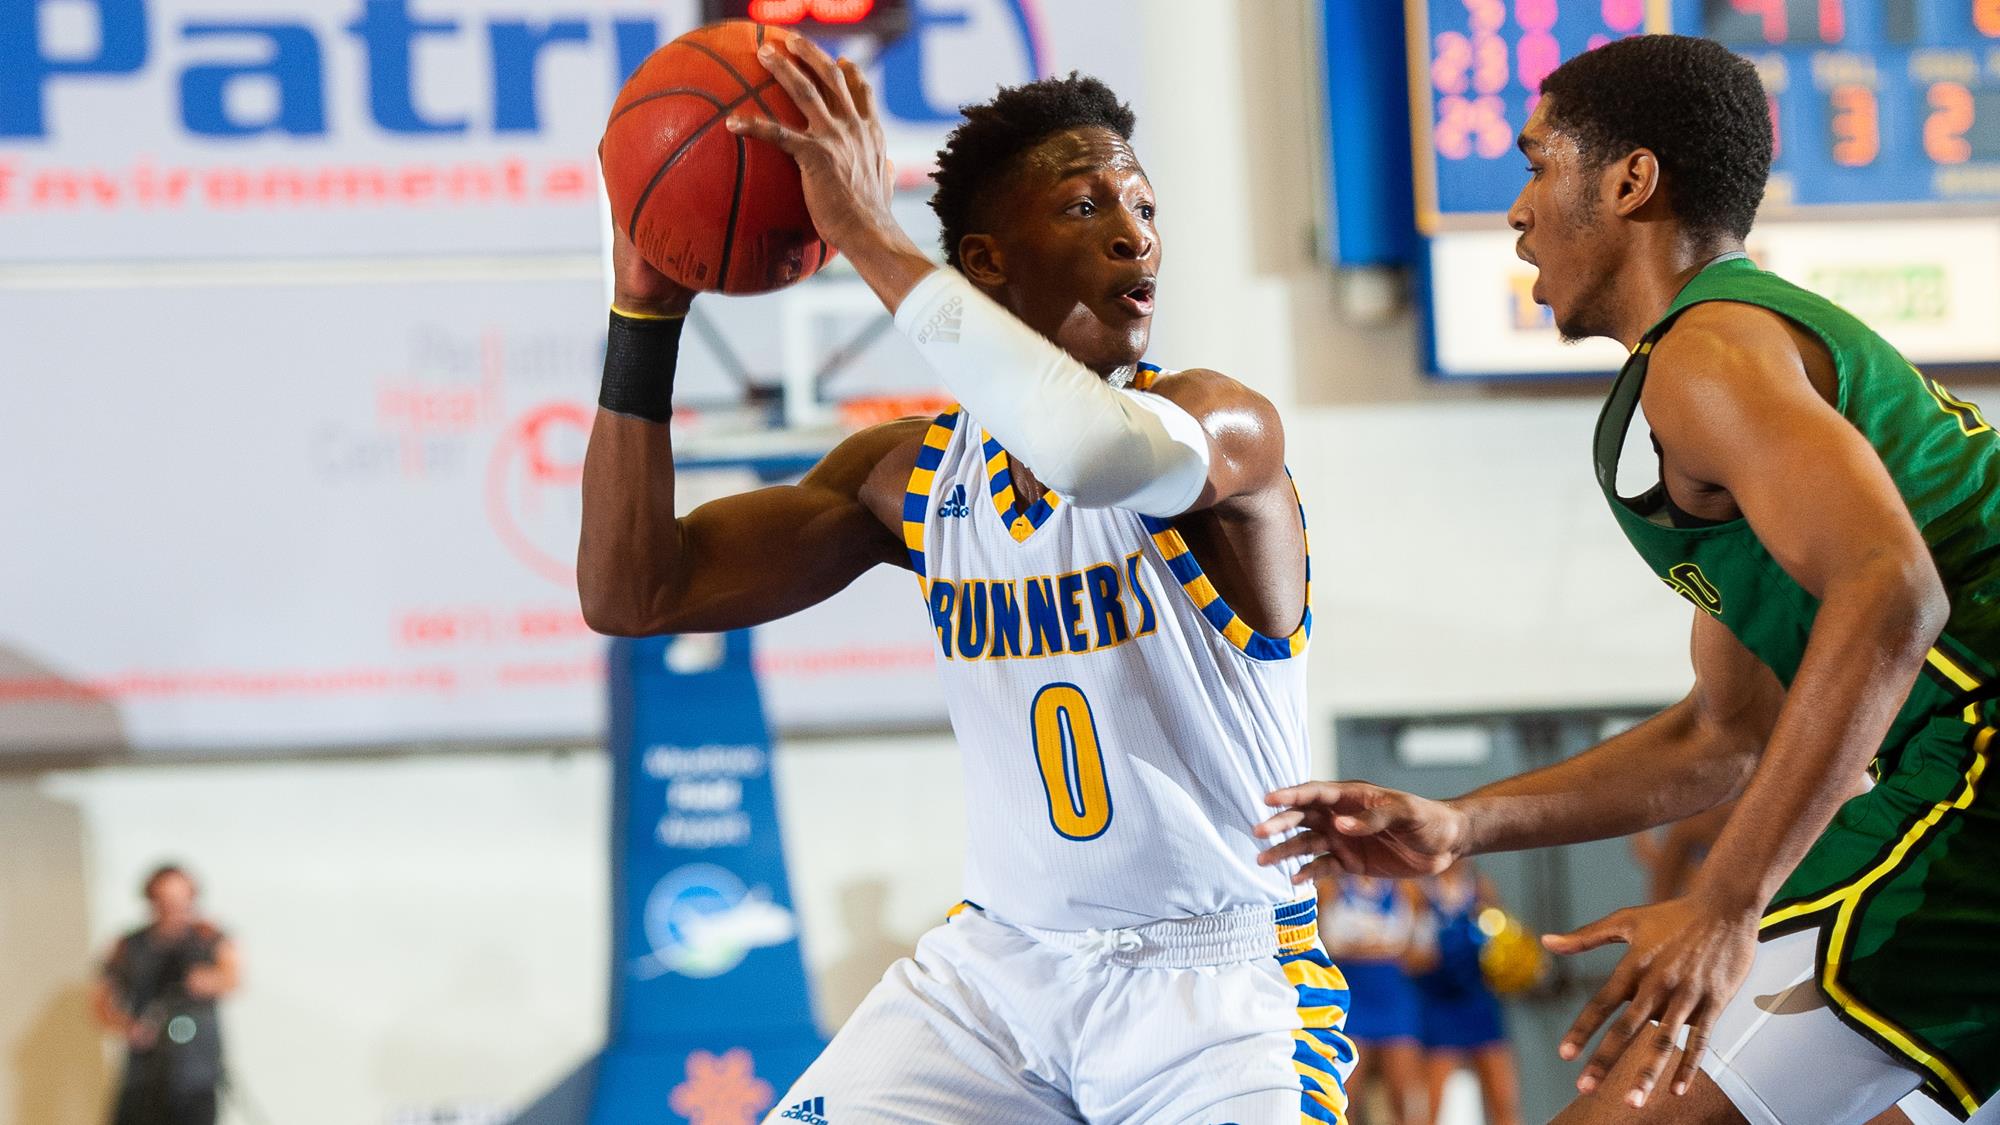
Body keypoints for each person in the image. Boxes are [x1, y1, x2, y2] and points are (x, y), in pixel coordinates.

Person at [579, 41, 1352, 1125]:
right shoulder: (914, 476)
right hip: (999, 975)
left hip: (1209, 988)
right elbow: (634, 593)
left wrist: (867, 233)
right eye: (1084, 206)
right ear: (986, 262)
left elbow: (1090, 452)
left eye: (1142, 205)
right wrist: (643, 314)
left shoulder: (1220, 425)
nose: (1134, 233)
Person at [1254, 33, 1998, 1125]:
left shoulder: (1708, 352)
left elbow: (1893, 595)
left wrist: (1724, 903)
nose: (1516, 211)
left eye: (1536, 163)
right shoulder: (1735, 359)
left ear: (1630, 181)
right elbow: (1724, 734)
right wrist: (1463, 823)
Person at [91, 865, 239, 1125]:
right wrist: (129, 1027)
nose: (174, 910)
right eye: (166, 902)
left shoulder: (209, 938)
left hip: (197, 1073)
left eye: (180, 902)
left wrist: (207, 981)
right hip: (144, 1075)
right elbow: (101, 1003)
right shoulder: (130, 946)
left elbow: (233, 978)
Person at [1414, 863, 1520, 1125]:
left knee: (1503, 1099)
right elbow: (1408, 952)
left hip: (1477, 1000)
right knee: (1431, 1105)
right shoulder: (1417, 889)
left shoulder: (1480, 886)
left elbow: (1503, 937)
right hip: (1439, 1002)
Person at [1319, 876, 1431, 1124]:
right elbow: (1313, 949)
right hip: (1350, 1003)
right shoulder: (1329, 886)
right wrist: (1366, 950)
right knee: (1344, 1097)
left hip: (1393, 1000)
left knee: (1405, 1098)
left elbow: (1426, 955)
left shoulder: (1407, 888)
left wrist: (1380, 951)